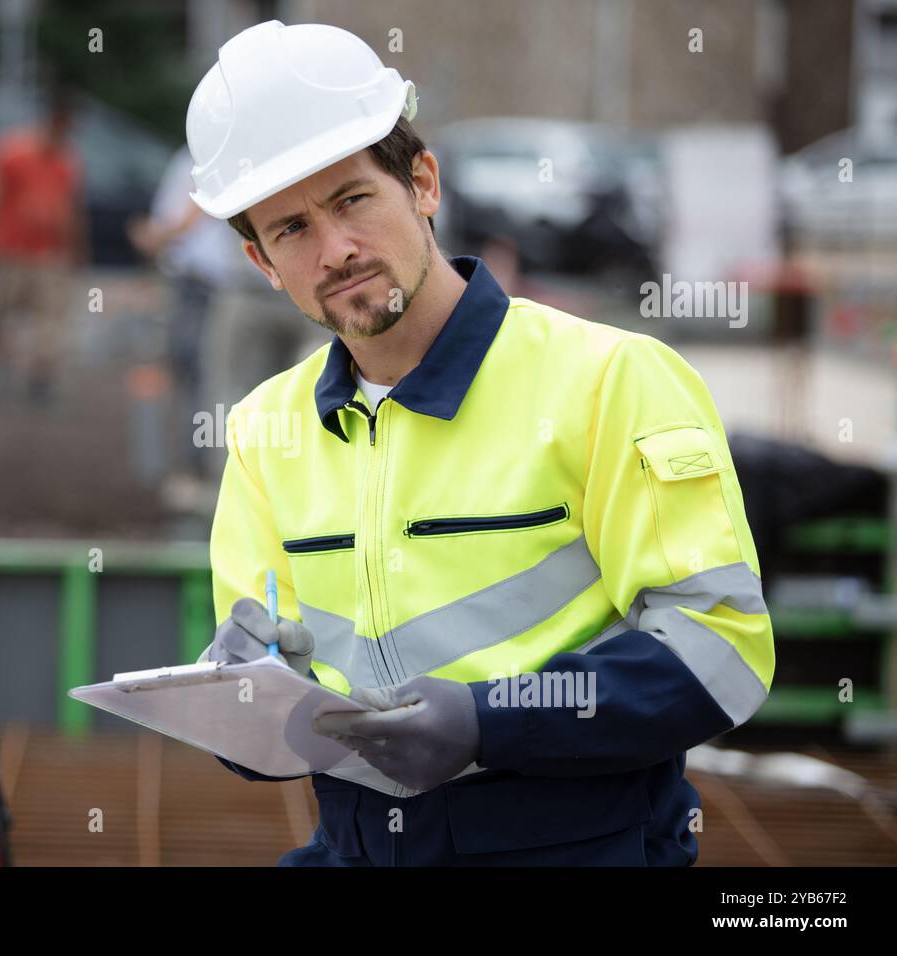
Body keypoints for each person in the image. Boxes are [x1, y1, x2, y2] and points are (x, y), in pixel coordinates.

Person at [191, 21, 774, 866]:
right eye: (291, 230)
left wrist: (487, 724)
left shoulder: (612, 381)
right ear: (261, 263)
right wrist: (239, 700)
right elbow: (267, 724)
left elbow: (722, 655)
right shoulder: (262, 430)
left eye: (353, 200)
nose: (337, 250)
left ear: (422, 183)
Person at [0, 84, 87, 401]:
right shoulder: (11, 152)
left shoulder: (67, 162)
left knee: (50, 325)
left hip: (48, 255)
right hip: (9, 252)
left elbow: (70, 208)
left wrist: (73, 249)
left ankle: (40, 381)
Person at [127, 145, 237, 489]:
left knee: (199, 369)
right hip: (187, 279)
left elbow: (193, 213)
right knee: (190, 368)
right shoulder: (190, 157)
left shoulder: (217, 158)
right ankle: (196, 460)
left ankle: (201, 463)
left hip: (205, 283)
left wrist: (156, 237)